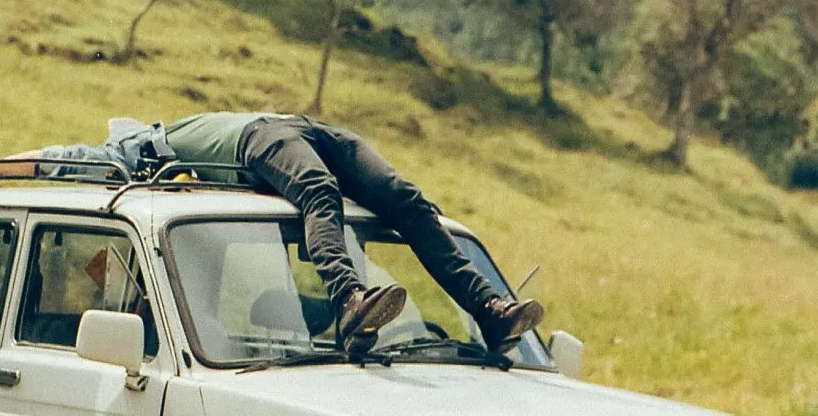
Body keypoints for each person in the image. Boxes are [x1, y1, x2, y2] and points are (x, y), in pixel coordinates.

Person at [165, 112, 545, 357]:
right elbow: (116, 153)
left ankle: (489, 310)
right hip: (255, 137)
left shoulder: (156, 134)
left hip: (308, 126)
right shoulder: (154, 141)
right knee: (318, 191)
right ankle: (349, 300)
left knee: (407, 201)